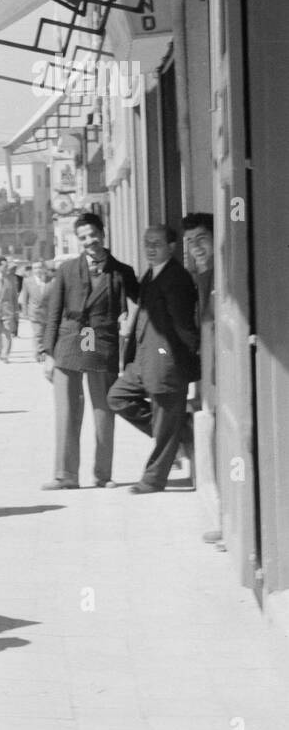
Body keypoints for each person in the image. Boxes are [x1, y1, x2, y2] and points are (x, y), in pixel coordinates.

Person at [40, 213, 139, 490]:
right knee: (67, 411)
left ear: (103, 234)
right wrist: (48, 353)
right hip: (70, 342)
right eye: (83, 237)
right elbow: (53, 312)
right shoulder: (67, 270)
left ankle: (103, 475)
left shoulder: (122, 271)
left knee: (103, 410)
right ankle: (65, 475)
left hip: (101, 343)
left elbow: (144, 301)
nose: (89, 241)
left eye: (93, 235)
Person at [108, 224, 200, 494]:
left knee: (164, 420)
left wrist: (191, 357)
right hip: (145, 359)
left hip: (166, 360)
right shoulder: (153, 273)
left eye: (156, 243)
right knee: (118, 397)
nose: (150, 248)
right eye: (147, 243)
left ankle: (153, 480)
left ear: (171, 247)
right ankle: (180, 431)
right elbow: (143, 305)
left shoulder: (177, 278)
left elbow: (184, 325)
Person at [181, 213, 219, 539]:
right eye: (190, 241)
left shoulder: (224, 275)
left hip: (224, 373)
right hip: (207, 374)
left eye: (202, 238)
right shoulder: (199, 278)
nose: (196, 247)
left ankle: (227, 520)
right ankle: (222, 515)